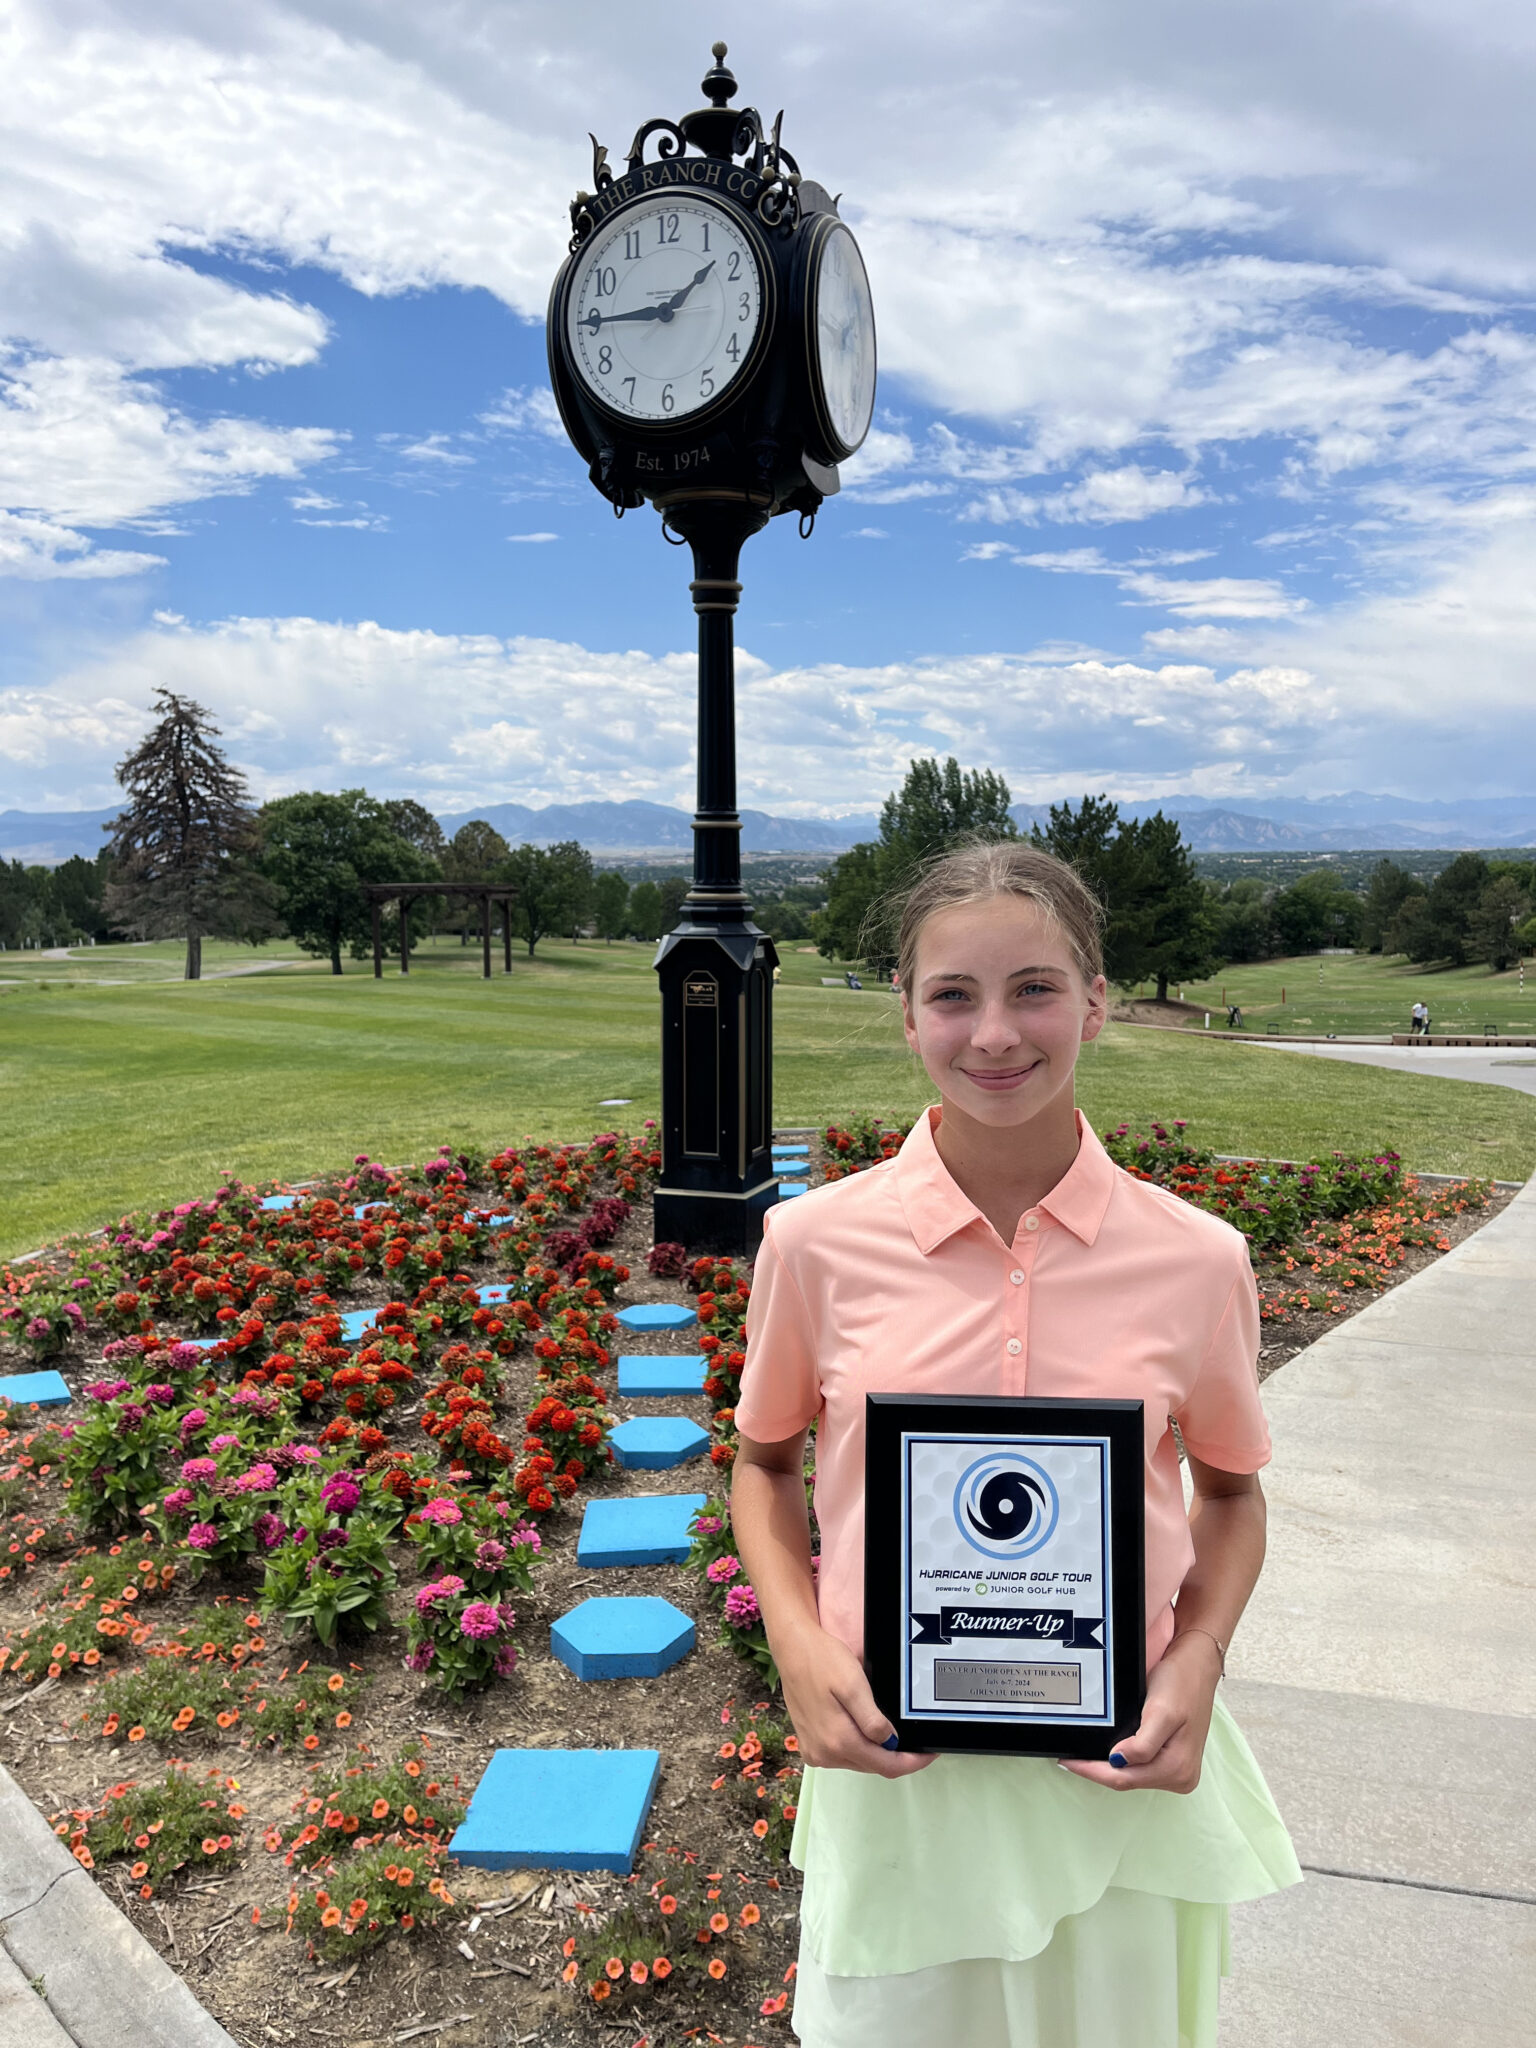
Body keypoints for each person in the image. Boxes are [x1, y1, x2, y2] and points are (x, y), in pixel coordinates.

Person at [732, 841, 1299, 2048]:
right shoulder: (814, 1244)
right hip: (901, 1784)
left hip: (1118, 1785)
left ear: (1097, 999)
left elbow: (1234, 1495)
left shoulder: (1196, 1257)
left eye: (1035, 986)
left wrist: (1197, 1659)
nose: (995, 1032)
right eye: (954, 994)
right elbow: (763, 1463)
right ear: (907, 1012)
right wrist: (793, 1638)